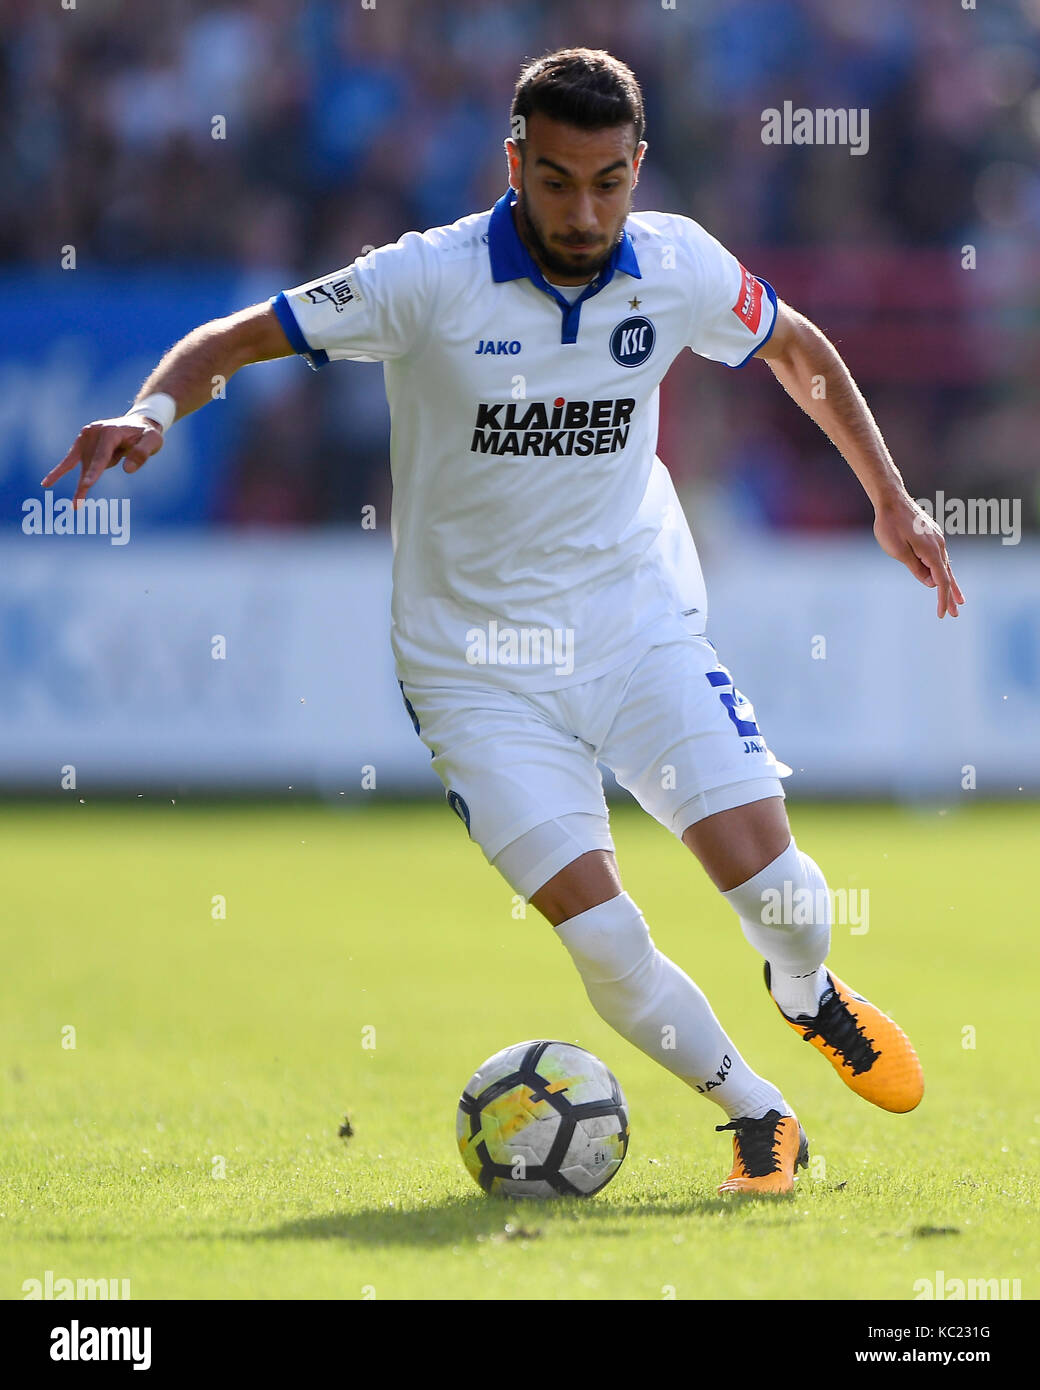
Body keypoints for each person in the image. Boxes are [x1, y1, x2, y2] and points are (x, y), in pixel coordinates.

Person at [44, 48, 964, 1195]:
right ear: (514, 164)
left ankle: (804, 992)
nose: (584, 211)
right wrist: (151, 411)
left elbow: (794, 346)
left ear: (638, 168)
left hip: (633, 623)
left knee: (776, 892)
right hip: (473, 671)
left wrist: (887, 498)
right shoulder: (420, 280)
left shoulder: (675, 262)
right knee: (603, 937)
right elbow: (232, 338)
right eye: (558, 181)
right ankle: (752, 1109)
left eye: (608, 183)